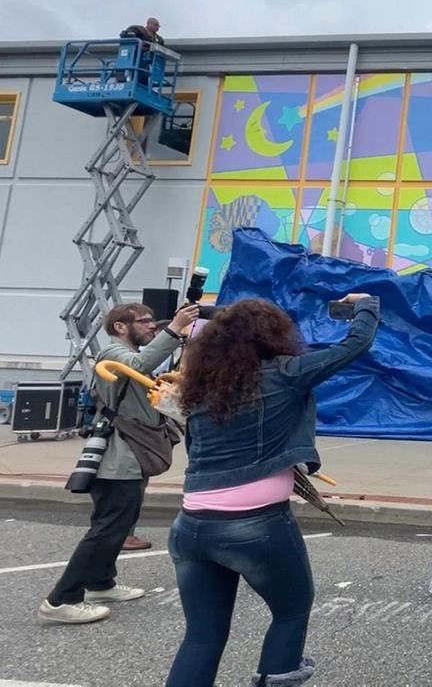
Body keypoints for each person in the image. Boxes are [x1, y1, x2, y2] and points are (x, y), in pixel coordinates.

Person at [164, 294, 378, 687]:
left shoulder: (204, 387)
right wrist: (366, 305)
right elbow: (355, 344)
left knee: (202, 635)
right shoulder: (286, 373)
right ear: (273, 335)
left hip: (191, 524)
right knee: (291, 612)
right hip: (256, 524)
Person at [38, 302, 199, 625]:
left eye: (153, 321)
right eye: (144, 321)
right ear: (121, 327)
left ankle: (100, 583)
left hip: (130, 455)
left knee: (119, 523)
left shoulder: (129, 354)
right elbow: (141, 363)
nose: (152, 326)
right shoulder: (113, 353)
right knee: (108, 527)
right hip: (116, 458)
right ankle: (61, 599)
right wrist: (174, 328)